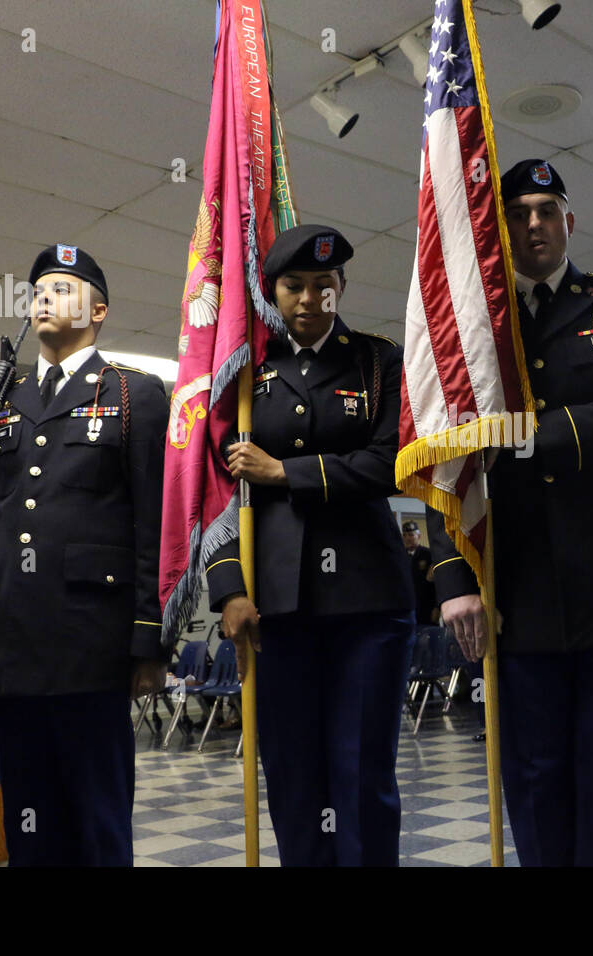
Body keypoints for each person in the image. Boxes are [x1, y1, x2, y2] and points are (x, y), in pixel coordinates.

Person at [428, 158, 593, 866]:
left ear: (569, 222)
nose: (534, 224)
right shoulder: (471, 324)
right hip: (515, 596)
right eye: (517, 213)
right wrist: (452, 578)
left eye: (547, 210)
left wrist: (542, 435)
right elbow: (439, 453)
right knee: (536, 787)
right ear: (497, 227)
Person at [0, 244, 169, 866]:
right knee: (28, 828)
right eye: (39, 289)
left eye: (63, 287)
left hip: (92, 648)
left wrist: (148, 642)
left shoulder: (135, 394)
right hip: (10, 646)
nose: (45, 296)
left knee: (99, 824)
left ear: (98, 310)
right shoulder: (1, 402)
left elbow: (155, 526)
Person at [206, 224, 413, 866]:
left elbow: (391, 464)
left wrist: (283, 473)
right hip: (275, 606)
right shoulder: (243, 373)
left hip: (367, 600)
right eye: (294, 285)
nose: (308, 298)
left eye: (324, 286)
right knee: (293, 777)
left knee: (361, 774)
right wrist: (228, 590)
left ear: (341, 288)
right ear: (272, 290)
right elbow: (215, 496)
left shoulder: (380, 361)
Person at [402, 519, 438, 626]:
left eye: (411, 535)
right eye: (404, 535)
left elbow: (438, 584)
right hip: (407, 609)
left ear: (419, 536)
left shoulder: (429, 555)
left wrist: (437, 607)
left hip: (427, 608)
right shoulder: (400, 556)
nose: (407, 538)